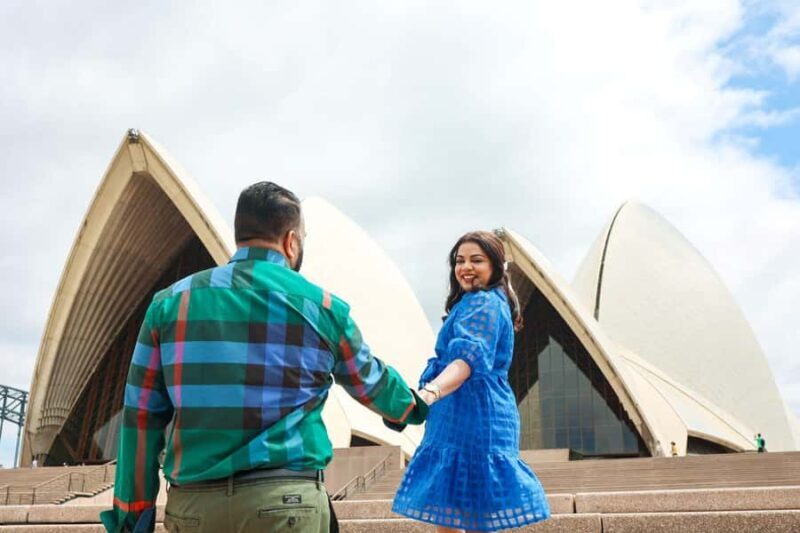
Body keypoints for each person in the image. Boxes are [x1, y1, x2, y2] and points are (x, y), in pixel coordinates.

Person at [100, 182, 428, 533]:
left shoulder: (169, 304)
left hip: (195, 508)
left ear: (240, 234)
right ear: (291, 240)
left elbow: (140, 418)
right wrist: (413, 406)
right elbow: (372, 383)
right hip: (288, 505)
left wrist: (132, 518)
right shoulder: (324, 306)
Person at [392, 231, 550, 532]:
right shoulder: (473, 302)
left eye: (476, 260)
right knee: (452, 512)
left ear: (496, 266)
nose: (465, 267)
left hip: (473, 414)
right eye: (459, 260)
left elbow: (467, 360)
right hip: (460, 412)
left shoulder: (484, 303)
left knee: (466, 514)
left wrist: (428, 394)